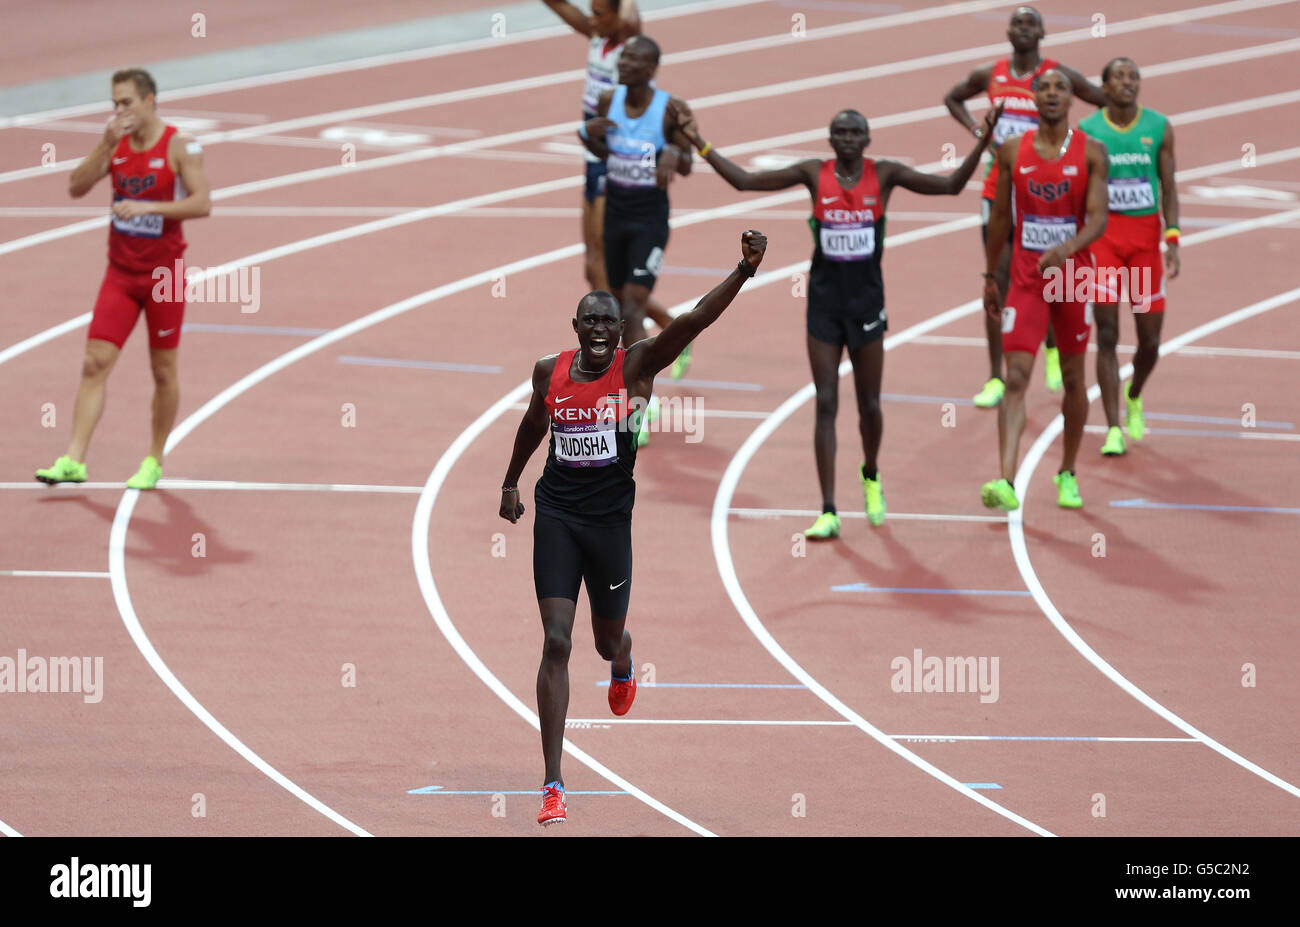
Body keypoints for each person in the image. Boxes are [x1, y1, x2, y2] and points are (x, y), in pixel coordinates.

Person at [499, 229, 767, 826]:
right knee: (558, 641)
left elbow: (693, 321)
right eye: (589, 322)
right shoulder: (549, 372)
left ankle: (623, 661)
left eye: (609, 324)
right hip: (559, 518)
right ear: (575, 327)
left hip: (611, 525)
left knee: (603, 640)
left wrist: (743, 271)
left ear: (620, 332)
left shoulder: (638, 365)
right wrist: (510, 481)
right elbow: (531, 427)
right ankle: (552, 784)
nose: (599, 332)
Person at [671, 103, 1002, 538]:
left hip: (867, 306)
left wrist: (982, 141)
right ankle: (827, 508)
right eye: (839, 132)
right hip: (824, 306)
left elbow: (952, 185)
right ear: (831, 139)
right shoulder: (814, 173)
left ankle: (870, 474)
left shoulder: (884, 175)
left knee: (869, 405)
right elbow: (744, 181)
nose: (846, 137)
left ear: (866, 140)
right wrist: (698, 140)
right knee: (826, 401)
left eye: (854, 132)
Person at [35, 68, 211, 490]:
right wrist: (104, 144)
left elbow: (203, 203)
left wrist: (150, 209)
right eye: (114, 103)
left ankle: (153, 459)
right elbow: (75, 187)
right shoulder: (115, 146)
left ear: (150, 101)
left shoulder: (180, 144)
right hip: (120, 273)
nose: (119, 111)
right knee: (94, 362)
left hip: (164, 276)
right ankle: (73, 460)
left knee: (163, 370)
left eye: (127, 102)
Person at [944, 6, 1104, 408]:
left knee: (1049, 271)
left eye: (1031, 23)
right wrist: (979, 131)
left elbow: (1101, 99)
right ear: (1008, 30)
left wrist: (1074, 144)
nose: (1024, 29)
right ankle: (996, 378)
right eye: (1017, 22)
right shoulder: (991, 74)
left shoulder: (1056, 76)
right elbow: (953, 97)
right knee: (997, 278)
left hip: (1045, 192)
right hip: (999, 188)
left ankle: (1053, 350)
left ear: (1044, 32)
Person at [980, 70, 1108, 512]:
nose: (1051, 93)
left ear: (1072, 99)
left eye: (1061, 88)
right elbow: (999, 217)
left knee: (1074, 380)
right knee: (1015, 377)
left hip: (1072, 277)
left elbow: (1098, 219)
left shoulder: (1091, 152)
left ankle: (1067, 471)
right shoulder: (1013, 151)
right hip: (1027, 278)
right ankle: (1006, 480)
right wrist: (988, 276)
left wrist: (1067, 248)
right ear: (1034, 97)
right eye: (1045, 88)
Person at [543, 0, 689, 376]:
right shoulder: (597, 35)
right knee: (593, 270)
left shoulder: (629, 38)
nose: (591, 18)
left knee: (608, 282)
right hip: (599, 155)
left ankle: (634, 357)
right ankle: (669, 328)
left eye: (598, 11)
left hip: (622, 170)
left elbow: (628, 15)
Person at [580, 34, 696, 445]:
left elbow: (687, 164)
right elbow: (598, 145)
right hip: (616, 213)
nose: (623, 63)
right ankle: (629, 390)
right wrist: (585, 133)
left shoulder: (669, 110)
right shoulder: (608, 101)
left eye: (632, 59)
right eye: (623, 57)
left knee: (631, 304)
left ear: (650, 69)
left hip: (649, 218)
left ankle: (640, 406)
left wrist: (674, 156)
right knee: (615, 306)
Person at [1080, 57, 1179, 456]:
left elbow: (1169, 187)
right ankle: (1113, 427)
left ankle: (1134, 393)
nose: (1128, 82)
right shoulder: (1087, 131)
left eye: (1134, 76)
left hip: (1143, 243)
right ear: (1103, 87)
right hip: (1103, 241)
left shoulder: (1158, 127)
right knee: (1106, 334)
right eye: (1119, 76)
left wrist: (1172, 237)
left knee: (1150, 341)